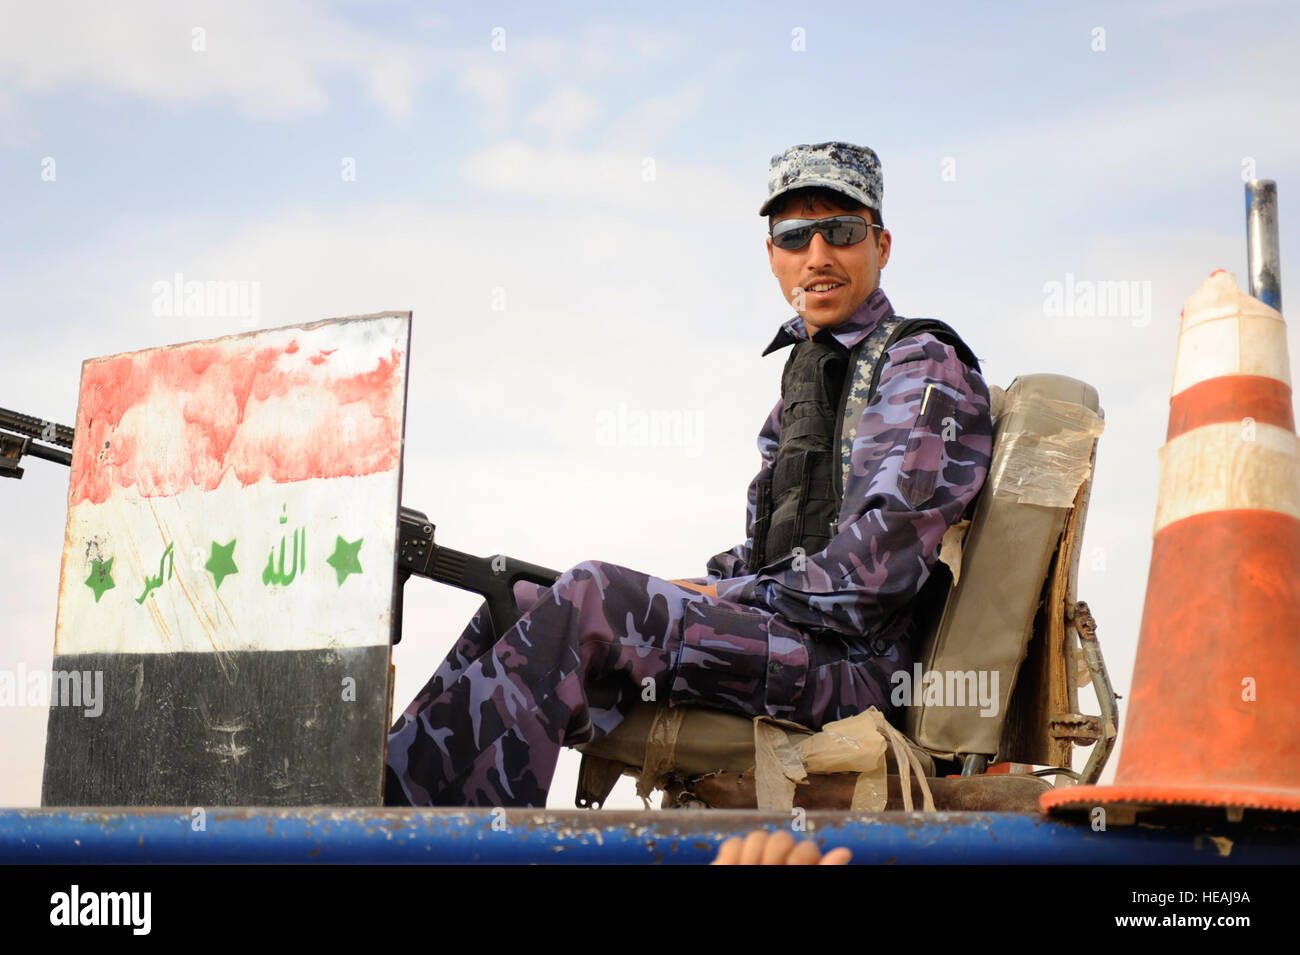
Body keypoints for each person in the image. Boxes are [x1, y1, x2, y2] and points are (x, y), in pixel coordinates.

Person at [384, 141, 994, 808]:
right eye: (793, 236)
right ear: (772, 256)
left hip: (858, 666)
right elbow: (758, 552)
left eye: (840, 231)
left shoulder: (919, 364)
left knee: (592, 596)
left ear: (880, 244)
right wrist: (709, 585)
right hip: (796, 640)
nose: (817, 255)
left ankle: (444, 839)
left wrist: (718, 595)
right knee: (519, 598)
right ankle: (381, 794)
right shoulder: (805, 383)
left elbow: (874, 573)